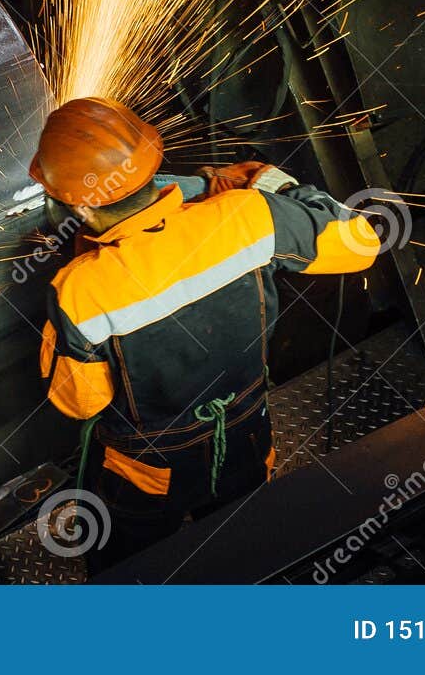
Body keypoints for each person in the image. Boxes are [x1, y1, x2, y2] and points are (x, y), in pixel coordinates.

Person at [26, 96, 380, 571]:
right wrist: (276, 186)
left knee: (132, 573)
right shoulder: (247, 214)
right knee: (246, 551)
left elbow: (80, 403)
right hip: (246, 440)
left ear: (83, 211)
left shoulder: (81, 288)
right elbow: (362, 242)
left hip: (148, 473)